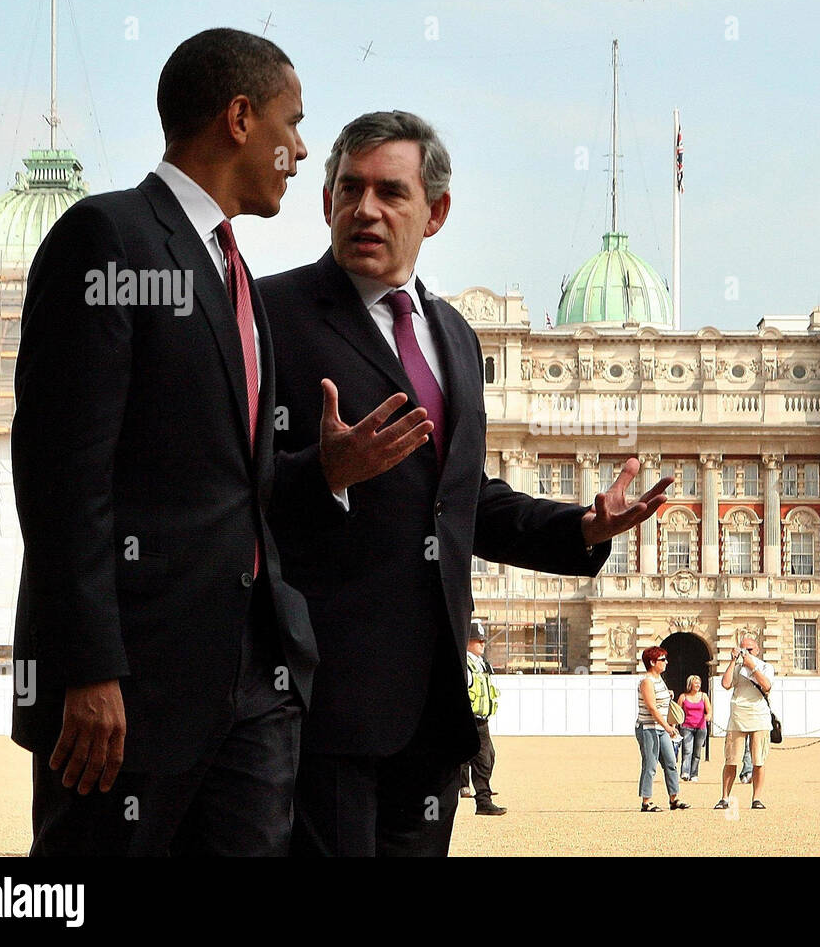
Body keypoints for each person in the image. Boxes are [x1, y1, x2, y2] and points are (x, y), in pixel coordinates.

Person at [259, 111, 672, 855]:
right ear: (325, 202)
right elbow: (225, 487)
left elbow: (459, 501)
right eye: (349, 189)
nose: (366, 209)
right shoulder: (268, 313)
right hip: (317, 704)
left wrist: (581, 527)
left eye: (391, 191)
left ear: (436, 212)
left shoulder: (452, 334)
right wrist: (324, 473)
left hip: (433, 711)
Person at [10, 28, 326, 855]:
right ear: (239, 116)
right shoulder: (106, 237)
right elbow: (60, 472)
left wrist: (329, 466)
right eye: (292, 122)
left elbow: (227, 486)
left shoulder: (237, 275)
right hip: (125, 695)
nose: (300, 148)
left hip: (250, 690)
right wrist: (87, 667)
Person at [714, 635, 774, 811]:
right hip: (738, 717)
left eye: (750, 650)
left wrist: (752, 667)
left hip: (759, 716)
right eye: (743, 650)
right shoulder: (737, 667)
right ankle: (725, 797)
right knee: (731, 760)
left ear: (757, 650)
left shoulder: (765, 667)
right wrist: (733, 661)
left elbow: (767, 686)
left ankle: (757, 798)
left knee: (758, 760)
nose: (746, 653)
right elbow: (725, 684)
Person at [459, 622, 504, 815]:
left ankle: (479, 795)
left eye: (483, 640)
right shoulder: (466, 664)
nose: (483, 643)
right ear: (468, 642)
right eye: (478, 640)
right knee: (478, 758)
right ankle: (482, 800)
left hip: (481, 719)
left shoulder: (480, 663)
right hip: (470, 718)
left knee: (487, 757)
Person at [635, 647, 687, 812]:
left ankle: (674, 798)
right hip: (648, 728)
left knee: (671, 763)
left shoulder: (659, 679)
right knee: (650, 765)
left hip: (662, 728)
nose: (666, 662)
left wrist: (669, 724)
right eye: (662, 659)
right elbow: (652, 708)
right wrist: (667, 727)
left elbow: (663, 705)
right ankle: (646, 801)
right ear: (652, 662)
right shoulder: (647, 681)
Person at [677, 675, 711, 782]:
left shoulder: (704, 696)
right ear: (690, 684)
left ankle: (694, 773)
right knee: (687, 750)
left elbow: (709, 710)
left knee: (697, 752)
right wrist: (675, 725)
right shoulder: (683, 697)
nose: (697, 685)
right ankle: (685, 772)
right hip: (687, 727)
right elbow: (677, 712)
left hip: (701, 727)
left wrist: (708, 716)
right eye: (695, 683)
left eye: (699, 683)